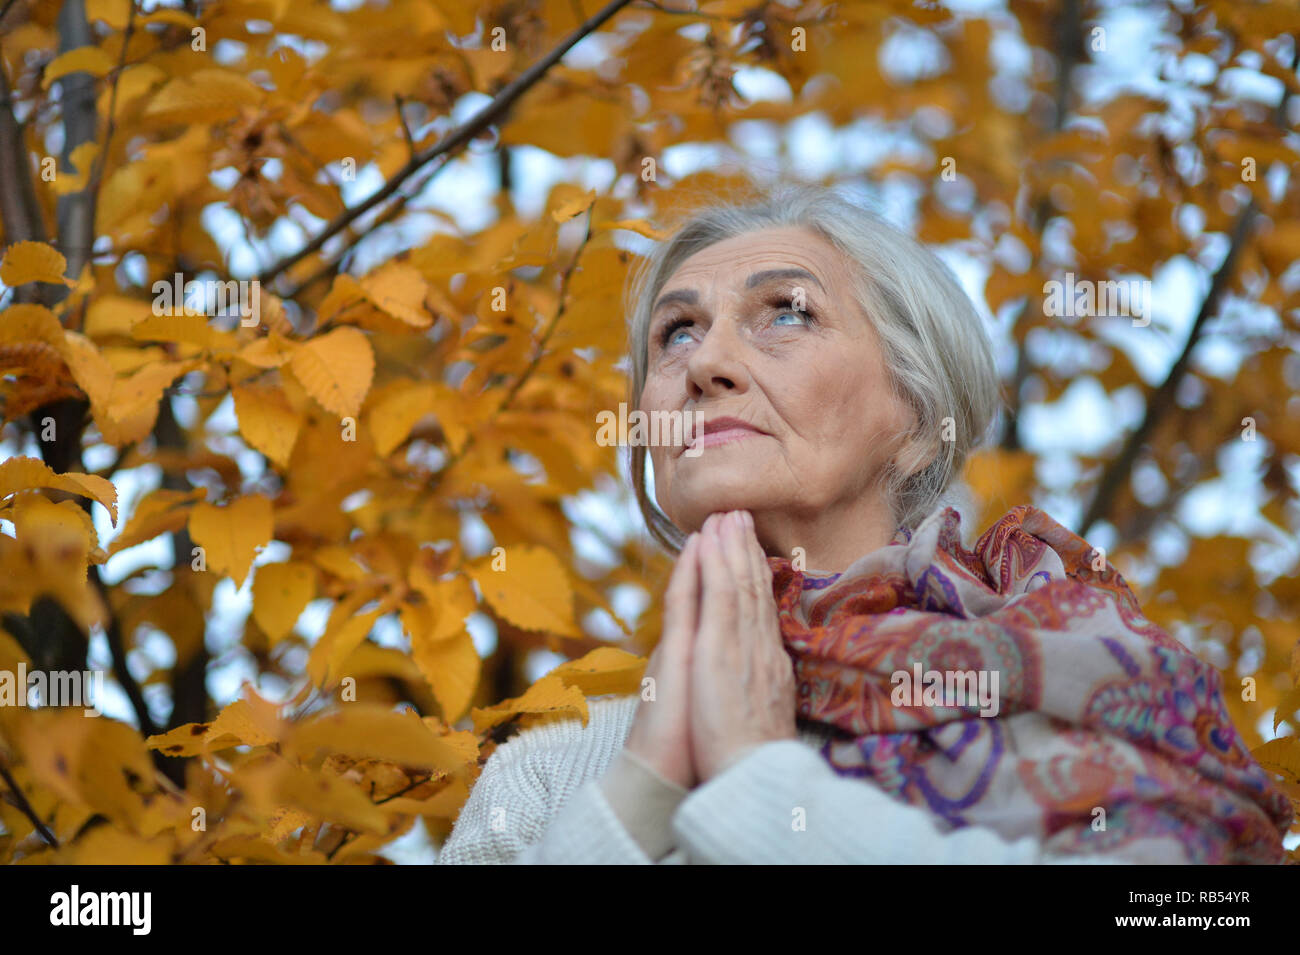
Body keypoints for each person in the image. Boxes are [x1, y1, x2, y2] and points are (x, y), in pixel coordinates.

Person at [435, 183, 1293, 864]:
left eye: (786, 312)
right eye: (677, 333)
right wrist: (643, 790)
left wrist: (755, 787)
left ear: (918, 419)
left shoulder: (1076, 698)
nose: (706, 363)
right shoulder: (551, 774)